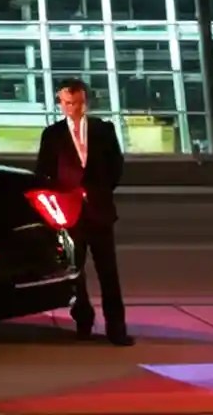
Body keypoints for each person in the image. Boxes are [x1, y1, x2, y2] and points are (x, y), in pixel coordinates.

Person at [33, 78, 135, 347]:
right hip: (70, 214)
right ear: (60, 103)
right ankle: (83, 321)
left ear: (85, 102)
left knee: (108, 273)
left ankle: (117, 328)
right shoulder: (52, 135)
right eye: (67, 103)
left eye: (76, 103)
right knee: (74, 272)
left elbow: (116, 165)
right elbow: (44, 172)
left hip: (99, 212)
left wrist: (101, 192)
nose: (72, 109)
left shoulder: (103, 130)